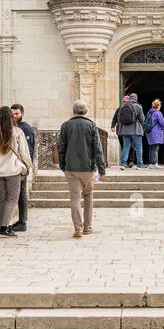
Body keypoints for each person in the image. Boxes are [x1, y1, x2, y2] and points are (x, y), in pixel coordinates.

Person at [57, 100, 107, 238]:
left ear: (73, 110)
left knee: (75, 199)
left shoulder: (66, 125)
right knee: (88, 197)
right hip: (88, 168)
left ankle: (78, 228)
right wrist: (102, 170)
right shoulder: (91, 125)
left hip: (71, 168)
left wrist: (63, 165)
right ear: (86, 111)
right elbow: (98, 149)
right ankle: (88, 227)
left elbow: (61, 148)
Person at [0, 105, 33, 237]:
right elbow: (24, 153)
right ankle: (4, 227)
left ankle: (0, 225)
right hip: (13, 170)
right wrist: (28, 166)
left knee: (1, 199)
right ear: (10, 117)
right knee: (12, 199)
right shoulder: (17, 132)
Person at [9, 103, 37, 232]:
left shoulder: (25, 129)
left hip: (21, 168)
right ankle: (20, 221)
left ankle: (22, 222)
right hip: (13, 167)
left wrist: (25, 167)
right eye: (12, 114)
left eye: (17, 114)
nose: (14, 116)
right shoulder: (12, 128)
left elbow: (29, 151)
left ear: (22, 114)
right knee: (18, 194)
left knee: (21, 194)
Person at [111, 93, 145, 169]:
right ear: (136, 99)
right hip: (136, 130)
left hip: (125, 131)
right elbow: (143, 119)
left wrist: (114, 126)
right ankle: (139, 164)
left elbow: (119, 118)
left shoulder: (122, 107)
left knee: (126, 147)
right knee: (139, 147)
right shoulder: (138, 107)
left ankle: (124, 164)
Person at [144, 98, 164, 167]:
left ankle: (151, 163)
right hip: (156, 133)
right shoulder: (158, 113)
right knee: (155, 148)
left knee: (151, 148)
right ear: (158, 106)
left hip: (149, 132)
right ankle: (155, 163)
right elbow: (162, 122)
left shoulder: (149, 112)